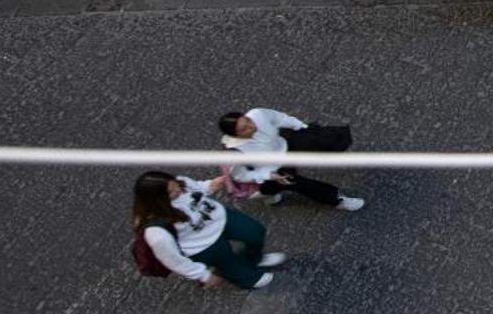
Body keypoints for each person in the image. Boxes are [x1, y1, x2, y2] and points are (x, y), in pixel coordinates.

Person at [133, 171, 283, 291]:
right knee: (227, 260)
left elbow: (197, 189)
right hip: (201, 245)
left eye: (175, 185)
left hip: (219, 218)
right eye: (171, 192)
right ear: (156, 199)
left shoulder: (179, 182)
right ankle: (247, 279)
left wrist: (209, 186)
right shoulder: (156, 231)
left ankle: (252, 259)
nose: (178, 189)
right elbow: (173, 260)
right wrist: (203, 275)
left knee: (255, 233)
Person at [219, 108, 364, 211]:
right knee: (302, 184)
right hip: (273, 170)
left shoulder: (258, 114)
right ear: (234, 135)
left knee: (321, 139)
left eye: (248, 121)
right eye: (244, 129)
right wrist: (268, 176)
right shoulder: (234, 153)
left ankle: (269, 191)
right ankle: (337, 200)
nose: (252, 126)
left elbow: (281, 118)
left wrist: (303, 128)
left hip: (284, 146)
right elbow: (240, 175)